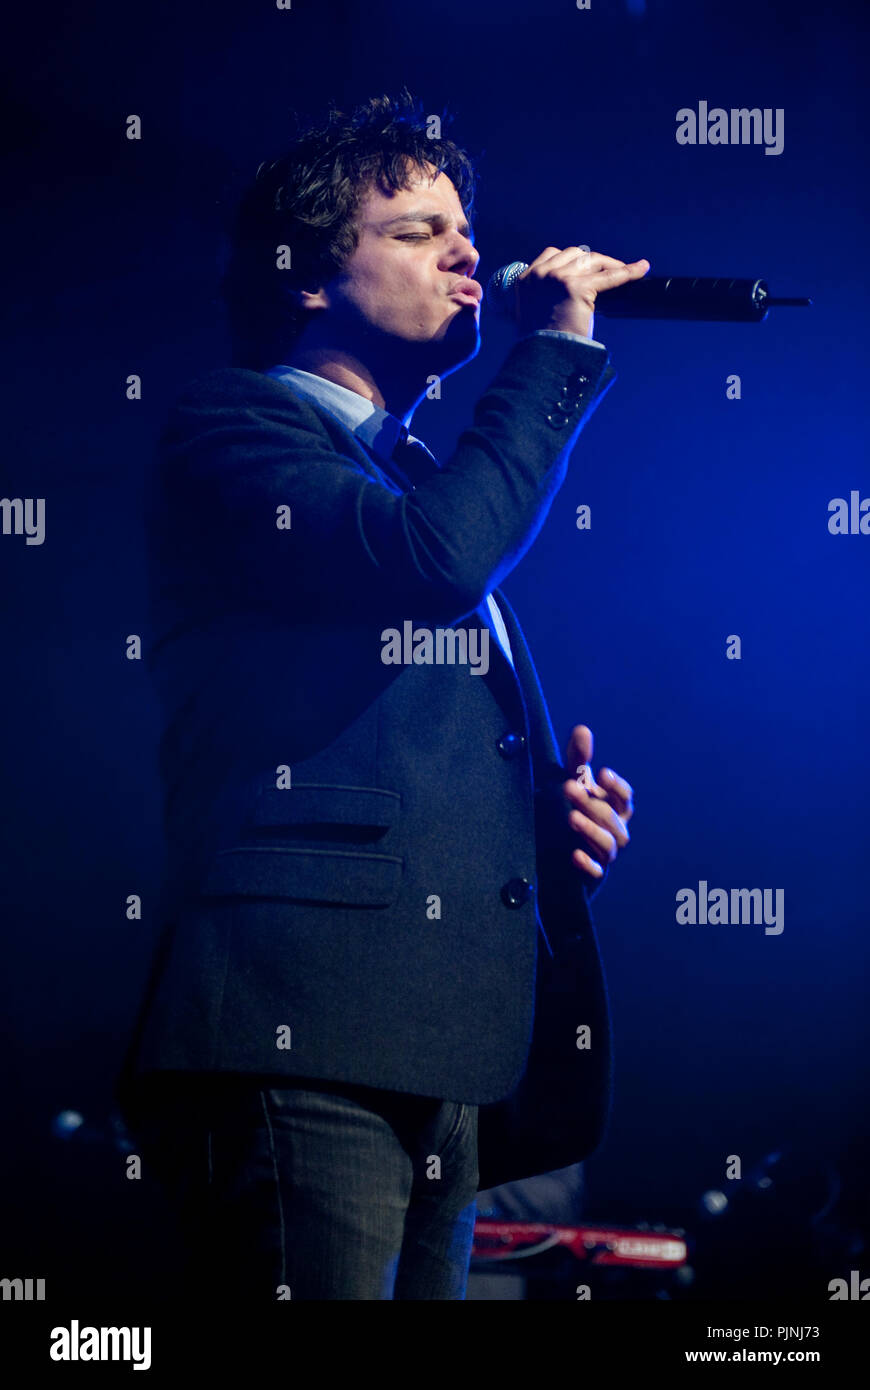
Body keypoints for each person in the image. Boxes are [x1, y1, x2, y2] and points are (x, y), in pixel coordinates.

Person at [117, 90, 641, 1302]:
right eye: (416, 230)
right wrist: (557, 351)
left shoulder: (408, 473)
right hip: (297, 1025)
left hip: (432, 1042)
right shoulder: (235, 426)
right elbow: (434, 561)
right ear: (305, 275)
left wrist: (540, 833)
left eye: (468, 224)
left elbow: (395, 721)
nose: (469, 250)